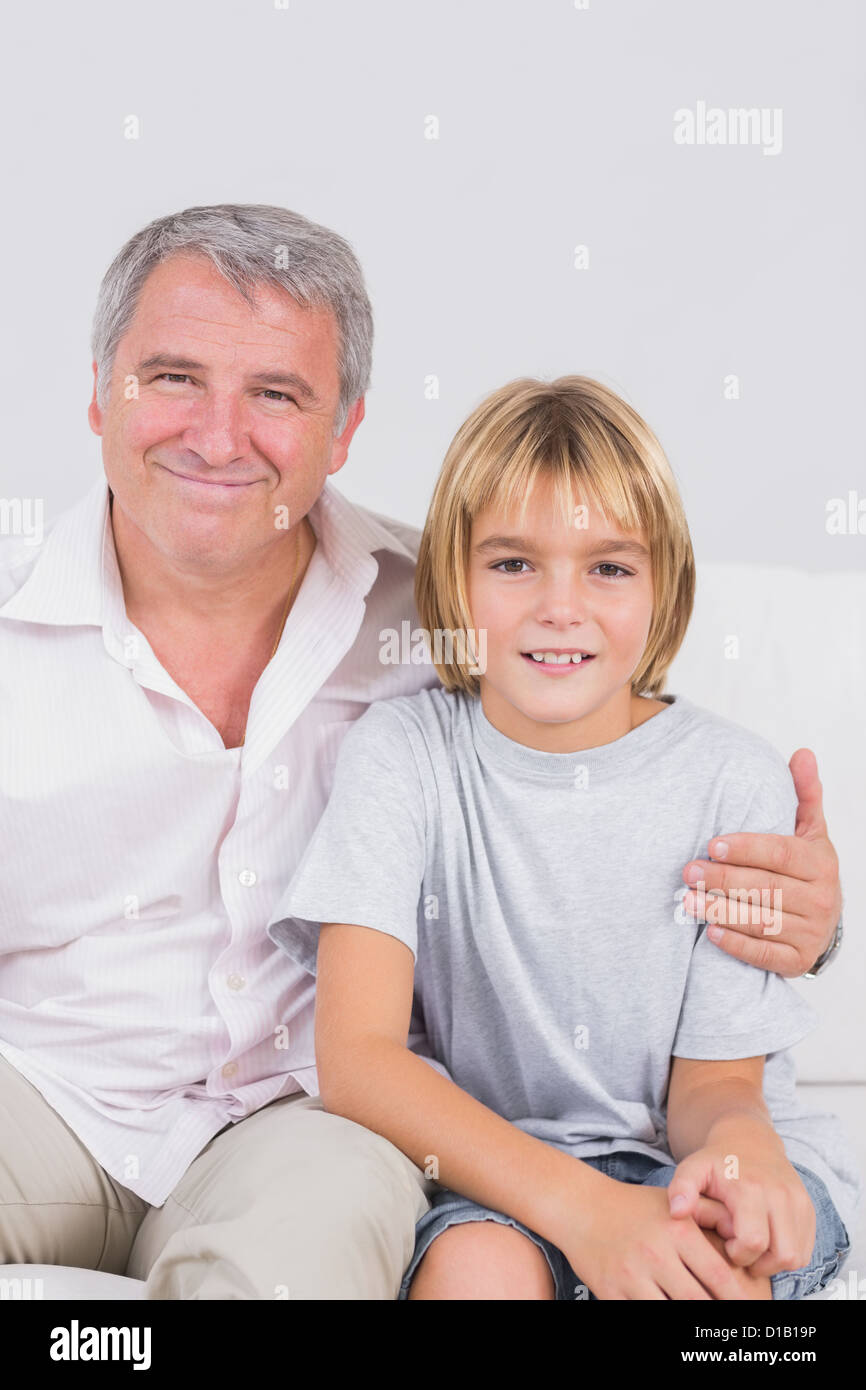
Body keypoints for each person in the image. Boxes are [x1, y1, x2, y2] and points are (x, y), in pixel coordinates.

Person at [0, 204, 846, 1299]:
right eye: (171, 377)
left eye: (275, 393)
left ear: (343, 428)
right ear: (98, 390)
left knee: (294, 1262)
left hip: (300, 1125)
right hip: (45, 1090)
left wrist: (801, 915)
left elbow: (624, 798)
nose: (217, 433)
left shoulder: (440, 623)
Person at [266, 376, 861, 1299]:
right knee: (473, 1274)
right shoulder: (404, 756)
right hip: (506, 1180)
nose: (560, 605)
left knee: (717, 1270)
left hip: (694, 1160)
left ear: (662, 587)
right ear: (452, 580)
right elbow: (359, 1060)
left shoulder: (733, 781)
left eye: (609, 568)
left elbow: (716, 1092)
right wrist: (584, 1214)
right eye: (512, 564)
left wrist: (741, 1159)